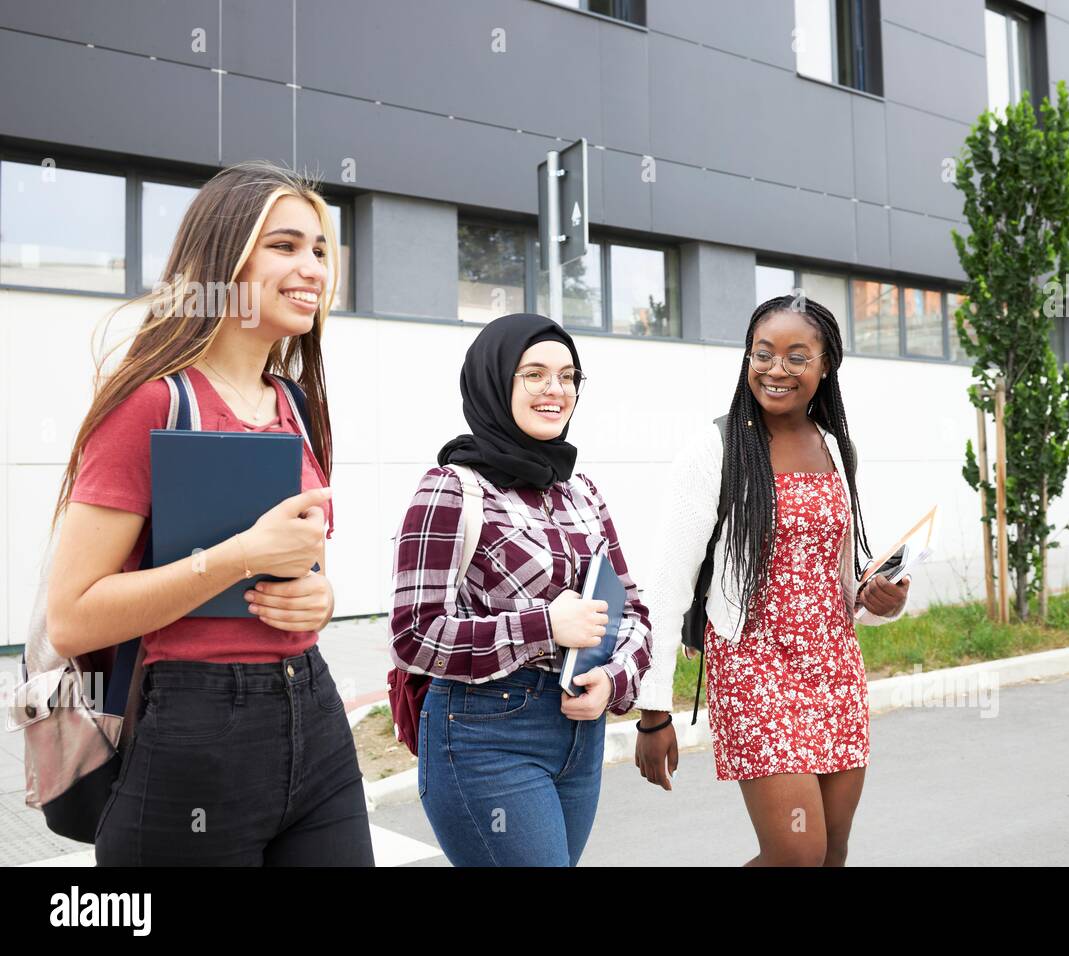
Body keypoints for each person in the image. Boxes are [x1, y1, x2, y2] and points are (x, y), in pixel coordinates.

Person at [46, 160, 374, 866]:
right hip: (187, 731)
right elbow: (72, 614)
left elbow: (308, 575)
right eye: (284, 246)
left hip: (313, 714)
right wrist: (236, 557)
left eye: (320, 249)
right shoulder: (150, 405)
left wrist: (320, 599)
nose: (313, 267)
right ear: (218, 260)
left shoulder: (297, 407)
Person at [633, 294, 910, 866]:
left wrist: (879, 597)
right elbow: (666, 588)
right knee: (796, 855)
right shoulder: (716, 449)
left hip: (833, 663)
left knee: (833, 852)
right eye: (762, 354)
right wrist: (654, 710)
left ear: (826, 364)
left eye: (796, 356)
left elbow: (835, 574)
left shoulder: (836, 447)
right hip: (754, 667)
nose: (776, 369)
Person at [389, 313, 652, 867]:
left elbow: (633, 610)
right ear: (495, 379)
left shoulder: (582, 492)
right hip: (485, 734)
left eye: (568, 375)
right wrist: (544, 626)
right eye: (533, 374)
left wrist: (612, 678)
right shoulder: (451, 490)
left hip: (580, 733)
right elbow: (414, 635)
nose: (555, 389)